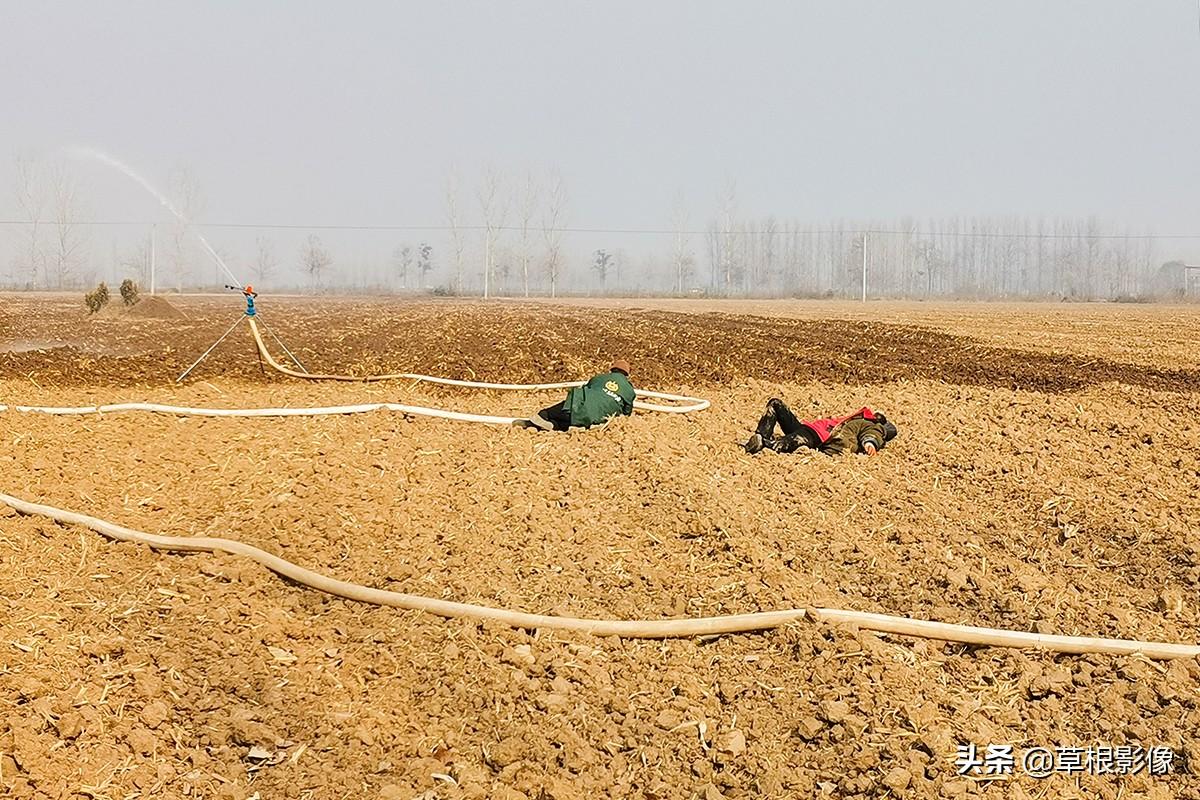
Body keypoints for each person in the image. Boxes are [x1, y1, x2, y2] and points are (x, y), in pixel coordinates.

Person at [743, 399, 897, 456]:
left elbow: (872, 435)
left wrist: (870, 443)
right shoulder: (859, 418)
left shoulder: (874, 425)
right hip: (811, 429)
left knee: (789, 441)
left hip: (819, 436)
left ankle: (764, 443)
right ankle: (761, 436)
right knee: (775, 404)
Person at [518, 360, 636, 431]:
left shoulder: (599, 378)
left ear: (612, 369)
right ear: (627, 375)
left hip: (577, 410)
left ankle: (533, 421)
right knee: (569, 422)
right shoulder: (630, 391)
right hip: (599, 421)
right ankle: (555, 426)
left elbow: (586, 389)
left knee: (551, 413)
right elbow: (627, 414)